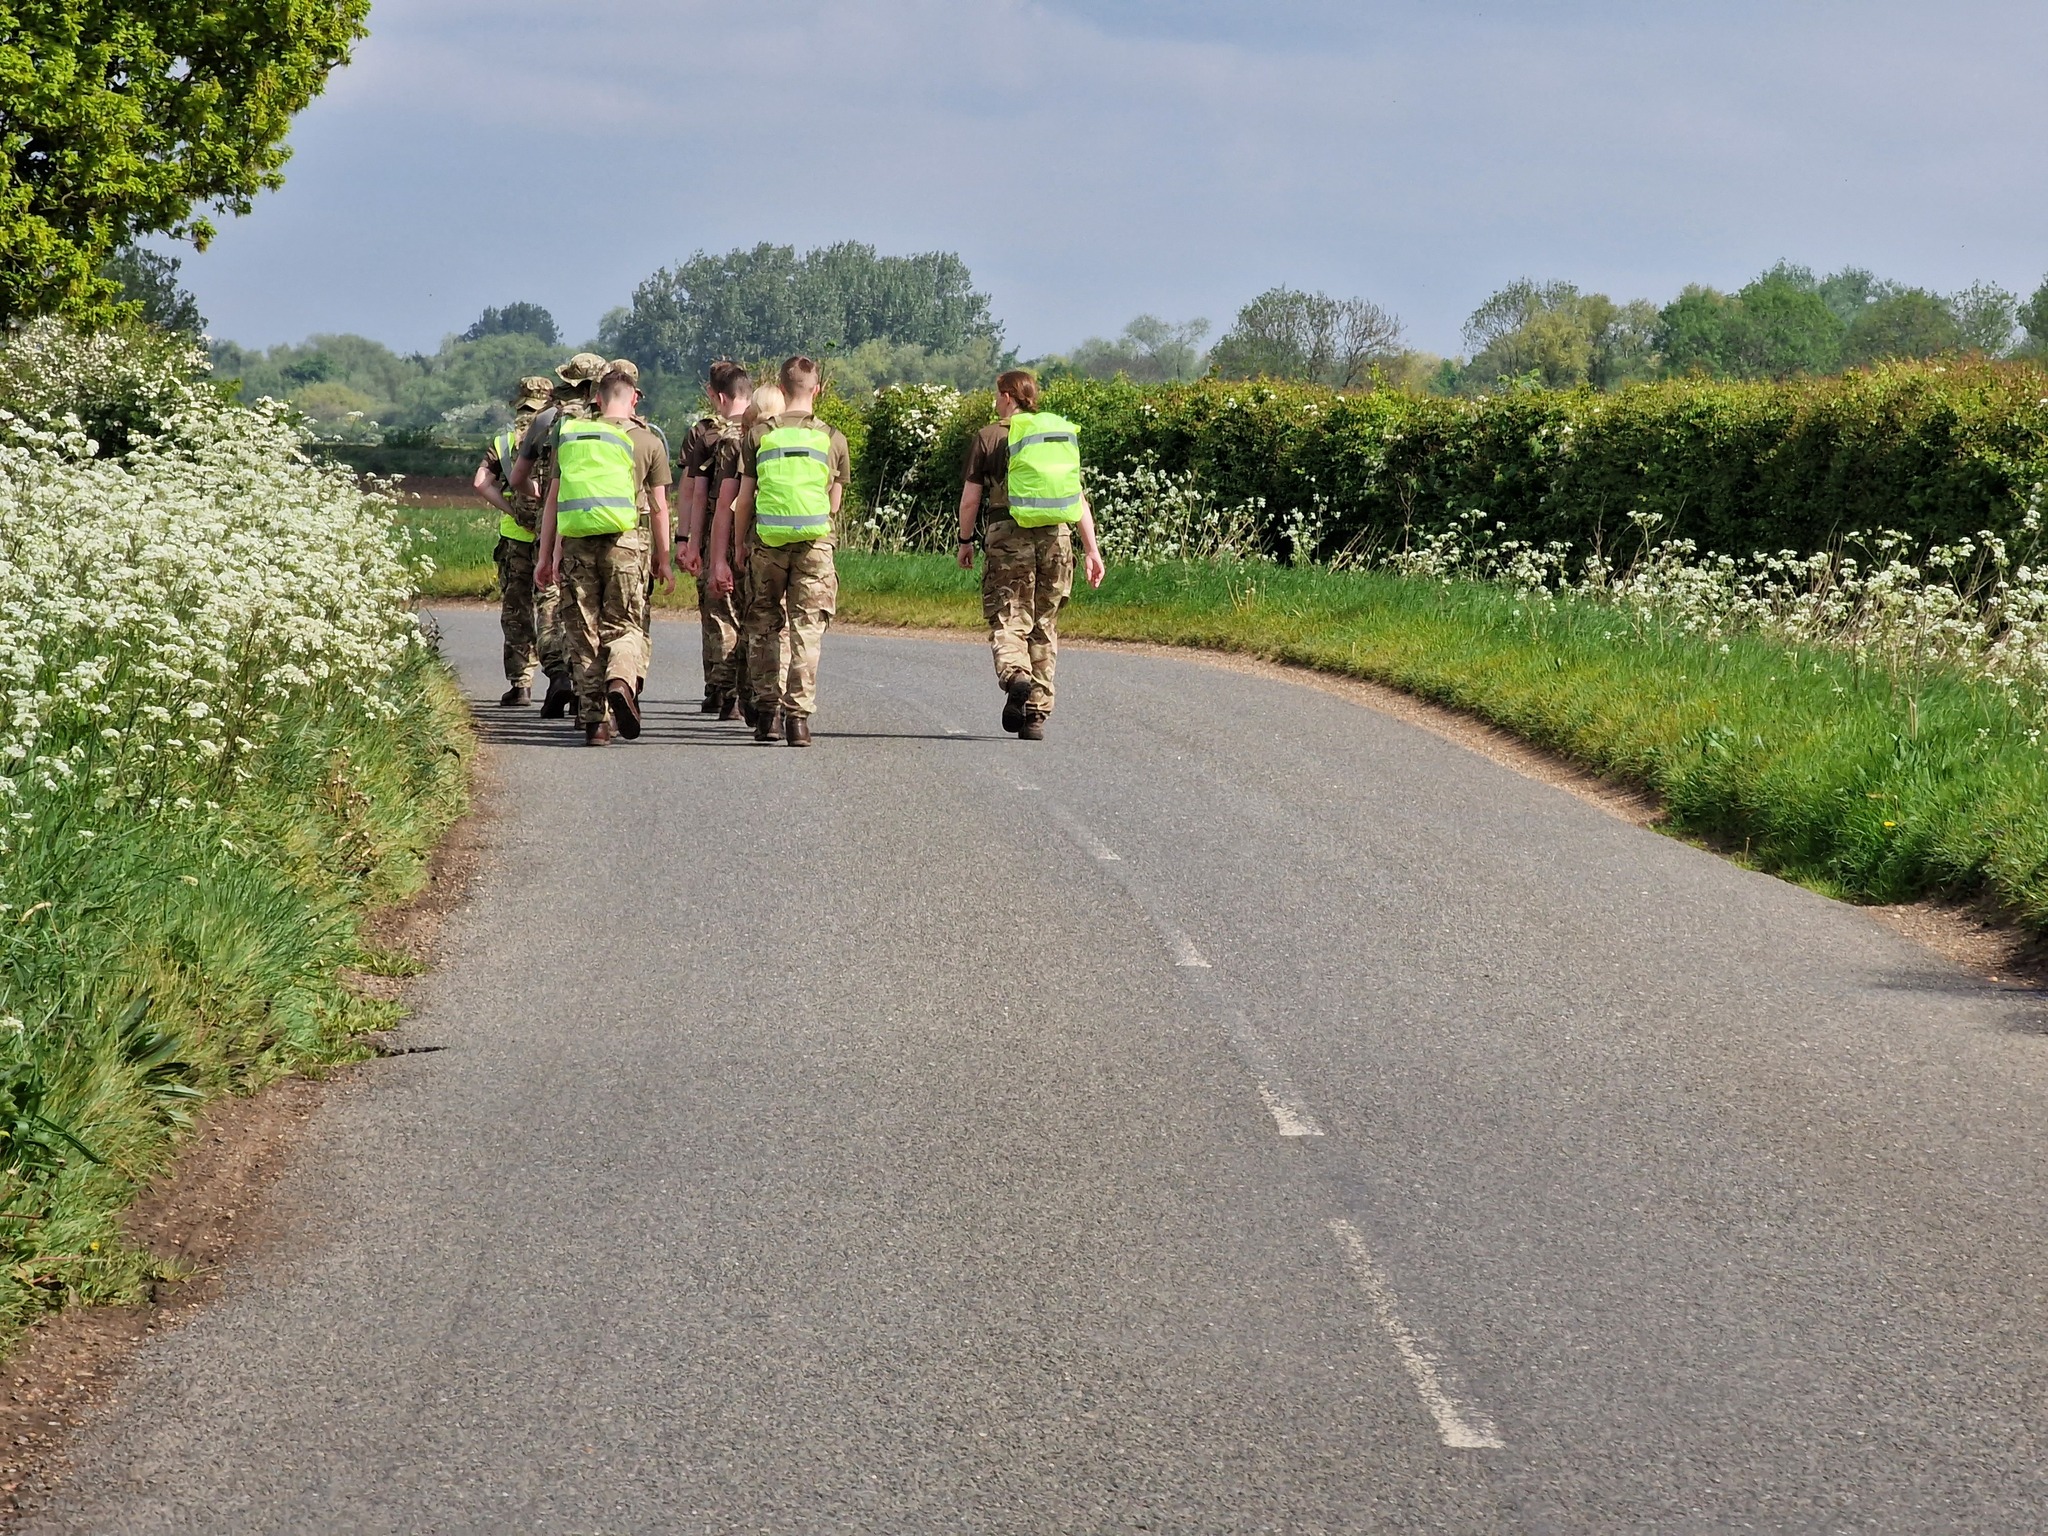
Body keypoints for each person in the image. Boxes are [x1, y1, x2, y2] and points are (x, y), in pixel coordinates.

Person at [956, 369, 1105, 740]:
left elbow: (971, 498)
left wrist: (964, 539)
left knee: (1009, 616)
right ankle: (1037, 714)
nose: (995, 401)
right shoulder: (1055, 436)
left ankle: (1016, 676)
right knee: (1044, 622)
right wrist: (1091, 549)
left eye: (996, 394)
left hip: (1008, 535)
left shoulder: (990, 436)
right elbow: (1077, 497)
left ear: (1008, 395)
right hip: (1058, 537)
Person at [710, 358, 847, 747]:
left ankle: (767, 714)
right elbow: (834, 503)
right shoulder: (832, 437)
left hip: (766, 543)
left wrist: (739, 546)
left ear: (781, 391)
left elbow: (745, 499)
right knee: (806, 629)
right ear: (816, 390)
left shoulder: (758, 436)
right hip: (815, 544)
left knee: (764, 625)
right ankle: (798, 719)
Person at [535, 366, 674, 746]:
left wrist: (546, 555)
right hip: (627, 547)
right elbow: (660, 509)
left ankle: (595, 722)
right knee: (626, 626)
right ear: (633, 399)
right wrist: (665, 559)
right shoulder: (648, 442)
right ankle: (620, 680)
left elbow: (554, 502)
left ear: (597, 400)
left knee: (583, 632)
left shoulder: (572, 438)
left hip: (578, 546)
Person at [512, 351, 609, 719]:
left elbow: (519, 477)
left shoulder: (547, 420)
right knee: (592, 606)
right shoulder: (614, 420)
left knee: (550, 603)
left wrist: (539, 497)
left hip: (554, 523)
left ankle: (558, 676)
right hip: (602, 524)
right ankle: (592, 685)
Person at [472, 375, 561, 706]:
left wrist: (511, 509)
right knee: (551, 606)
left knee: (516, 610)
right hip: (553, 536)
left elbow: (481, 482)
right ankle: (560, 674)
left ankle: (521, 684)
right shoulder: (558, 436)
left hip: (515, 538)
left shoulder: (505, 441)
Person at [675, 361, 752, 720]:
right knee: (752, 610)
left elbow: (692, 489)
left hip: (714, 531)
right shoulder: (766, 429)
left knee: (717, 611)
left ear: (717, 395)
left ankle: (722, 689)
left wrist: (686, 539)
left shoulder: (704, 433)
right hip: (759, 533)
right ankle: (748, 685)